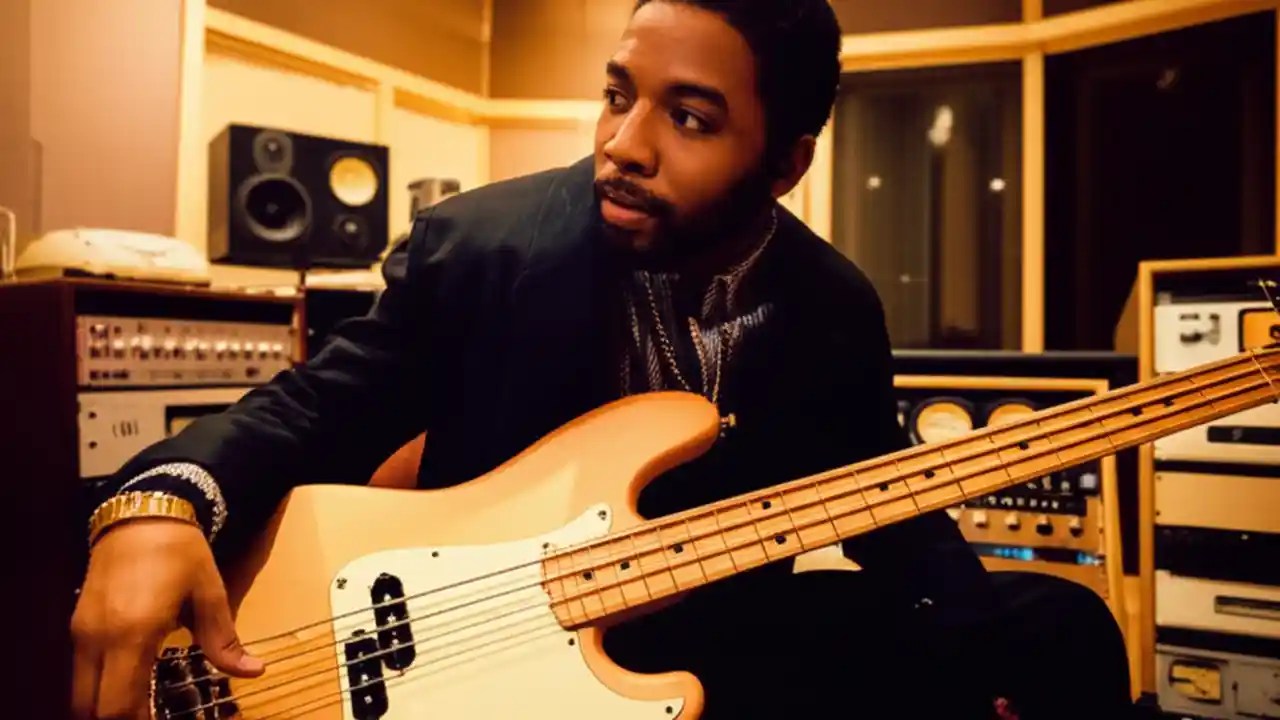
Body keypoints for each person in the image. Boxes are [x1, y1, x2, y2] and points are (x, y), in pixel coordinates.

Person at [70, 1, 1134, 718]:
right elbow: (311, 410)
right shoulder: (481, 246)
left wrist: (973, 650)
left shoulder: (832, 308)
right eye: (619, 92)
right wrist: (157, 501)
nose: (622, 142)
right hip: (453, 647)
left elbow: (885, 508)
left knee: (1057, 631)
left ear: (784, 164)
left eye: (688, 117)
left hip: (706, 645)